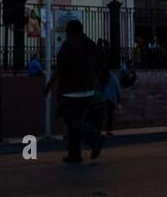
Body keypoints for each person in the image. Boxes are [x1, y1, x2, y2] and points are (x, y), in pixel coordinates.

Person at [44, 19, 103, 163]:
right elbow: (99, 64)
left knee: (71, 120)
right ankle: (74, 154)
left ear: (71, 30)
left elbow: (60, 68)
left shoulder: (68, 45)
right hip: (88, 90)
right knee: (76, 121)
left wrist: (49, 85)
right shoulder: (91, 44)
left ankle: (94, 139)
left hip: (71, 91)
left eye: (67, 30)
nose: (65, 32)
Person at [97, 64, 121, 135]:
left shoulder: (100, 77)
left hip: (101, 98)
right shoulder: (113, 77)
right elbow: (118, 89)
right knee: (110, 115)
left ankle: (98, 130)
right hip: (110, 99)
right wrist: (118, 99)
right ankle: (109, 130)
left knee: (100, 116)